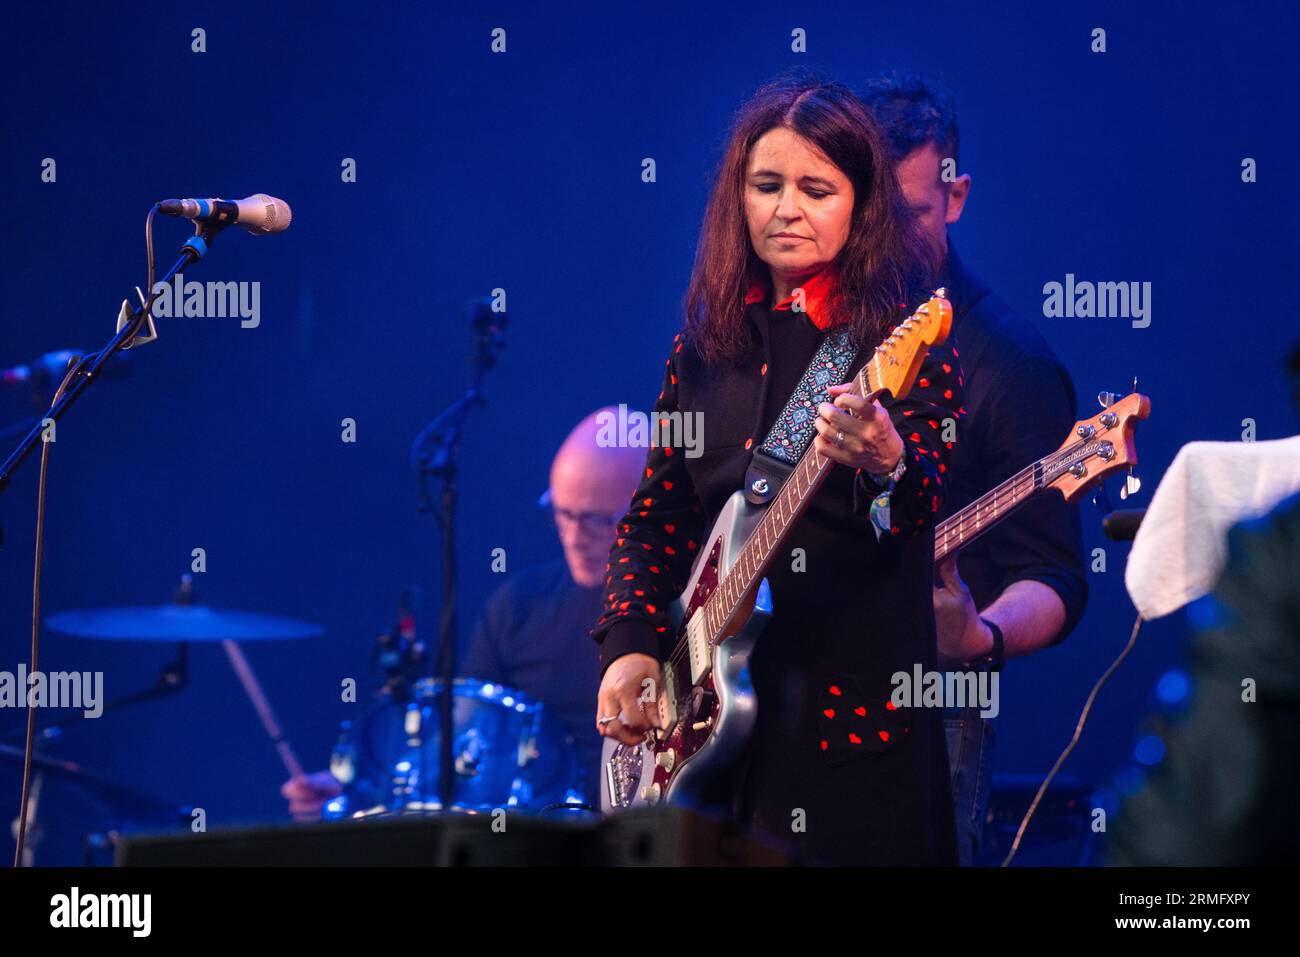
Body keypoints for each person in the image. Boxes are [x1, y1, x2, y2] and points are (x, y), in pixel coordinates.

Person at [592, 74, 964, 865]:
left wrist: (887, 465)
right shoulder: (704, 350)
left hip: (847, 746)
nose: (786, 207)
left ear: (861, 204)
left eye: (815, 188)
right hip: (711, 755)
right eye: (767, 185)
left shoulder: (897, 337)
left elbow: (918, 508)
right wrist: (628, 645)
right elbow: (657, 520)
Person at [860, 74, 1088, 865]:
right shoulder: (823, 336)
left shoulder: (1012, 363)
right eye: (869, 218)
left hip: (933, 709)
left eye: (912, 215)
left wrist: (981, 636)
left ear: (954, 197)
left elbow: (1055, 577)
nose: (886, 242)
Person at [282, 408, 644, 820]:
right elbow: (463, 741)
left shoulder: (681, 599)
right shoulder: (519, 607)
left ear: (646, 508)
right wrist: (360, 788)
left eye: (596, 521)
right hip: (534, 836)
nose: (573, 537)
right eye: (561, 514)